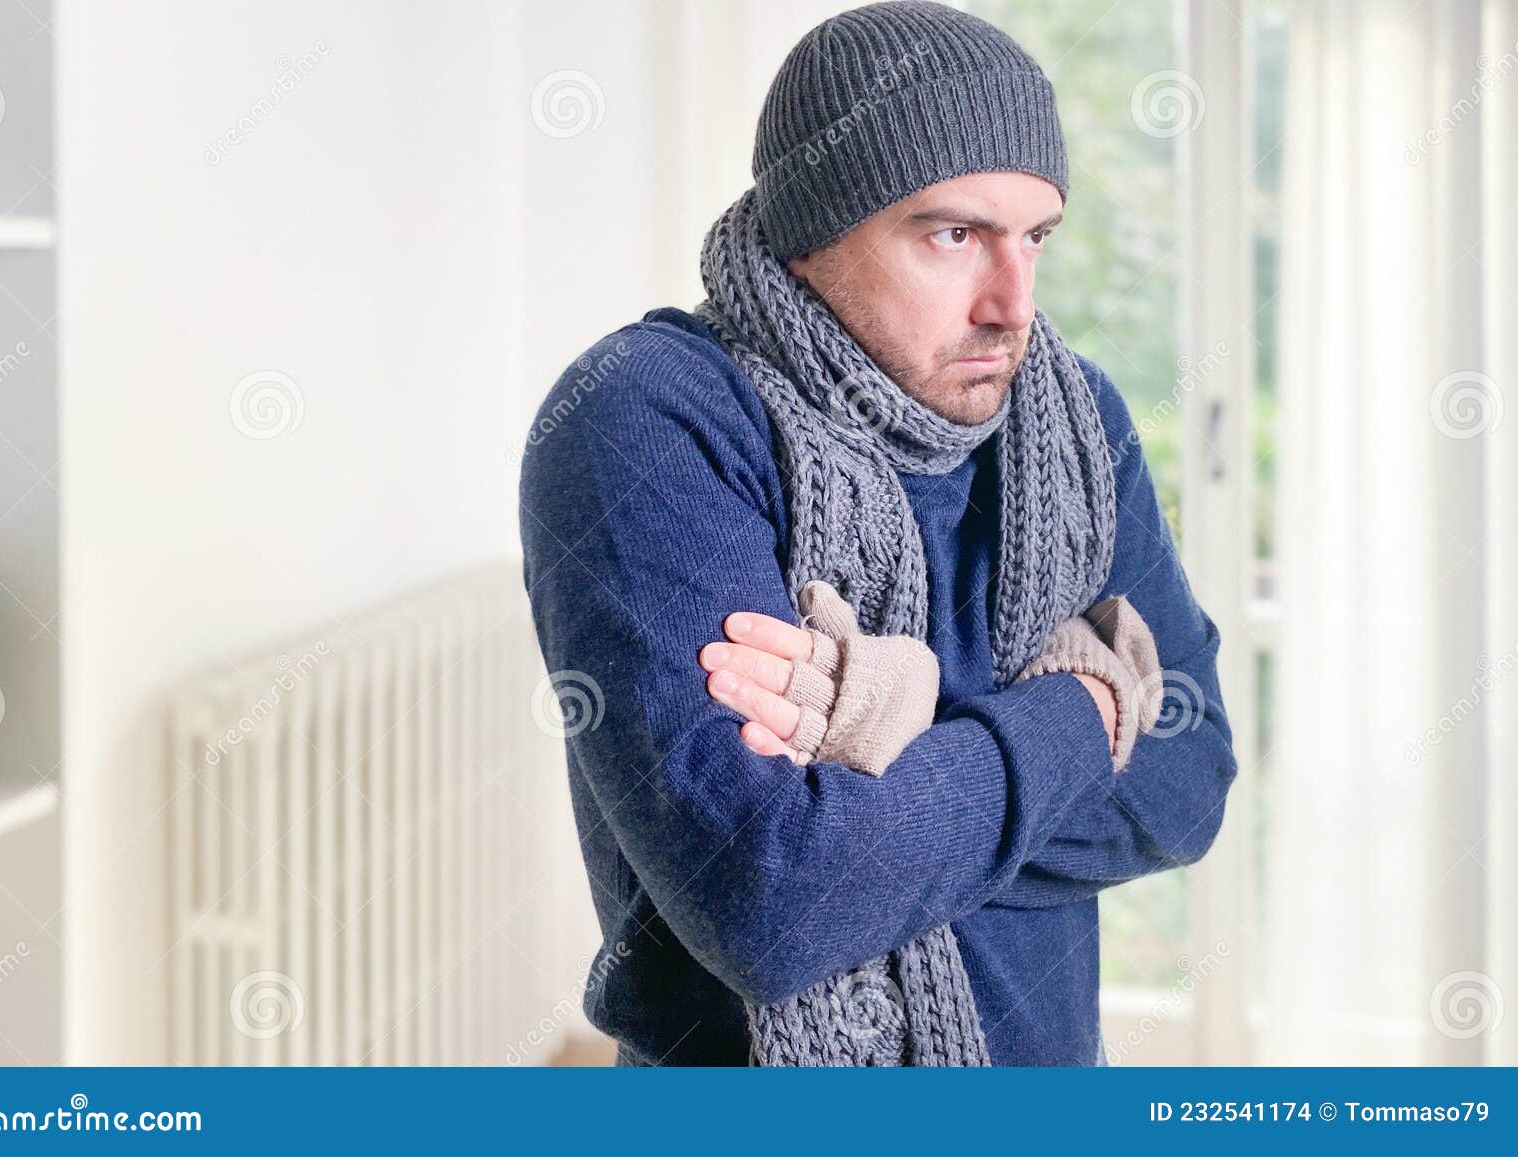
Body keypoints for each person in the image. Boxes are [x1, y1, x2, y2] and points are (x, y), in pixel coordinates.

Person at [518, 0, 1236, 1066]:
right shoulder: (649, 415)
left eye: (1035, 236)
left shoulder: (1075, 423)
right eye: (954, 235)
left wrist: (882, 746)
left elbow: (1189, 783)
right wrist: (1087, 705)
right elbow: (773, 900)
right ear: (815, 226)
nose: (1013, 303)